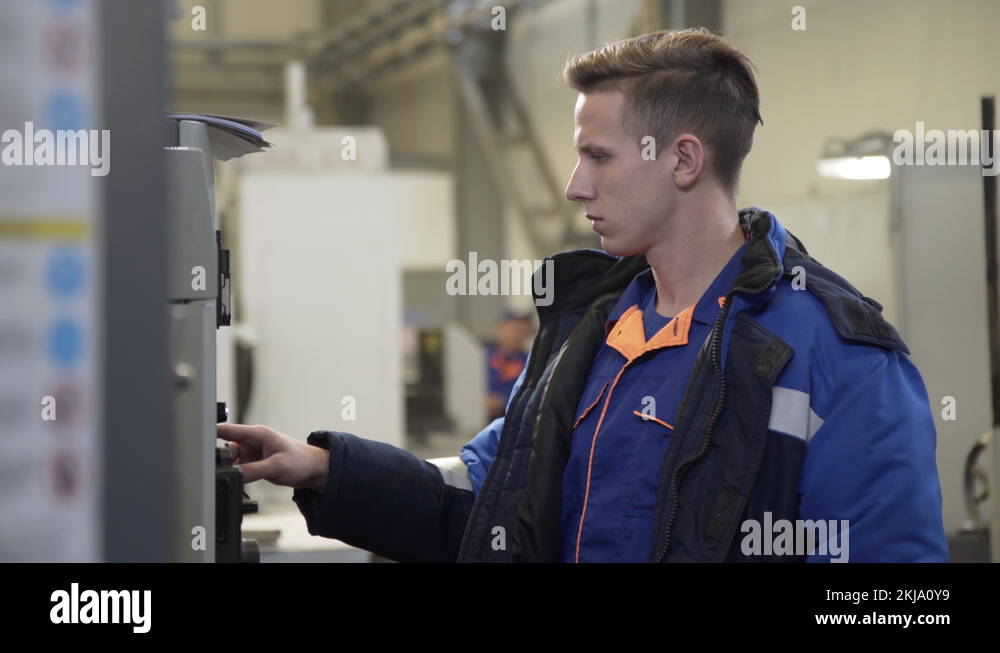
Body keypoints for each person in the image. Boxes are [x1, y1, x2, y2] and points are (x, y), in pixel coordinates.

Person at [217, 28, 948, 562]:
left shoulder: (841, 360)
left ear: (683, 160)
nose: (575, 186)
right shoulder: (590, 336)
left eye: (598, 156)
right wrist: (320, 467)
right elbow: (483, 497)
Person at [485, 311, 532, 420]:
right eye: (512, 328)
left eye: (522, 329)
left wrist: (503, 401)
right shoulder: (482, 357)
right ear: (500, 328)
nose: (517, 333)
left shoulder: (531, 363)